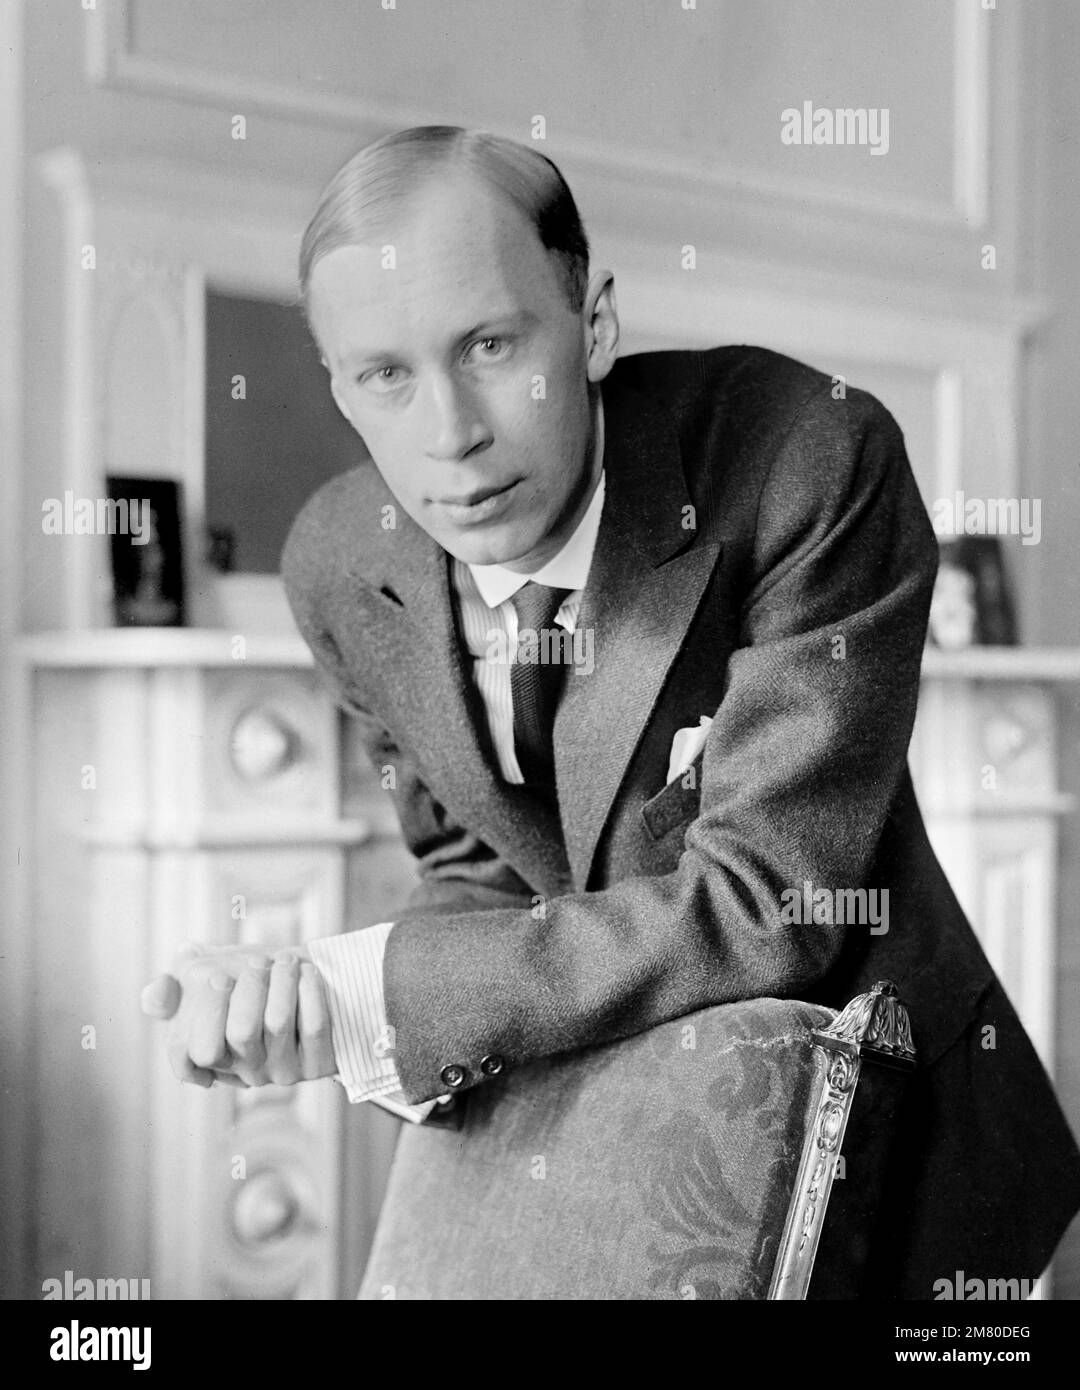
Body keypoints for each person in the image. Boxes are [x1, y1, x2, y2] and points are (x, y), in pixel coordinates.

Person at [143, 125, 1080, 1298]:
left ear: (593, 324)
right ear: (337, 382)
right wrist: (324, 1013)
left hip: (902, 1183)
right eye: (384, 374)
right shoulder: (340, 561)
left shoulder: (811, 458)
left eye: (490, 344)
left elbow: (766, 909)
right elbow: (477, 873)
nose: (451, 434)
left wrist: (379, 991)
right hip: (599, 1170)